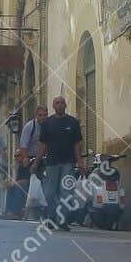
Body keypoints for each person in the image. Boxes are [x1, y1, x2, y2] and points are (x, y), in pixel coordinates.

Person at [37, 95, 85, 230]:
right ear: (53, 106)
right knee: (49, 193)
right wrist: (36, 162)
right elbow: (43, 144)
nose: (60, 105)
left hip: (68, 163)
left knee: (67, 192)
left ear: (65, 105)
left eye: (62, 103)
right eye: (57, 103)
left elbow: (77, 144)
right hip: (52, 163)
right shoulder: (47, 123)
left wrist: (80, 161)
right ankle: (51, 217)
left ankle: (62, 219)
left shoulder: (73, 123)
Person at [14, 105, 48, 217]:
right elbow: (23, 144)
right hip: (30, 156)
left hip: (44, 157)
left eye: (45, 115)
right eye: (40, 115)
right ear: (35, 115)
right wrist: (25, 158)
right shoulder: (29, 126)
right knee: (24, 182)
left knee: (44, 182)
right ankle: (19, 209)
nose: (43, 117)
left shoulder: (48, 126)